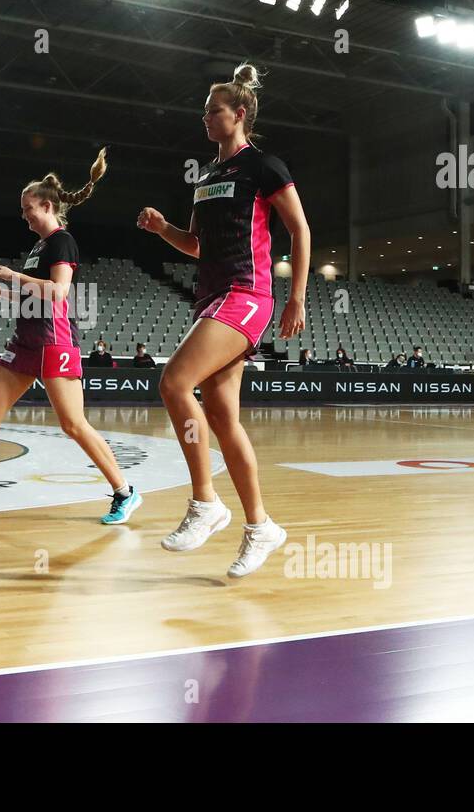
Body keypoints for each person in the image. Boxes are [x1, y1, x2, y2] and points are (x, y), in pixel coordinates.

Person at [136, 62, 309, 578]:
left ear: (239, 113)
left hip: (248, 294)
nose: (204, 118)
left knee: (174, 382)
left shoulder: (265, 167)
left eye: (213, 110)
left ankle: (205, 503)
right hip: (210, 295)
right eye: (203, 111)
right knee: (221, 417)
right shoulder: (207, 176)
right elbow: (196, 246)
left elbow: (299, 230)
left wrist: (296, 297)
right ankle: (261, 526)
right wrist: (163, 228)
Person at [0, 148, 143, 526]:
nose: (23, 215)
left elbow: (59, 291)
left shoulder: (62, 241)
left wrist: (11, 277)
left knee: (73, 425)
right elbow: (35, 293)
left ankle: (124, 491)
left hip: (54, 343)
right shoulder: (38, 246)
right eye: (22, 209)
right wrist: (3, 294)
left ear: (48, 206)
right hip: (24, 342)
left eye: (28, 208)